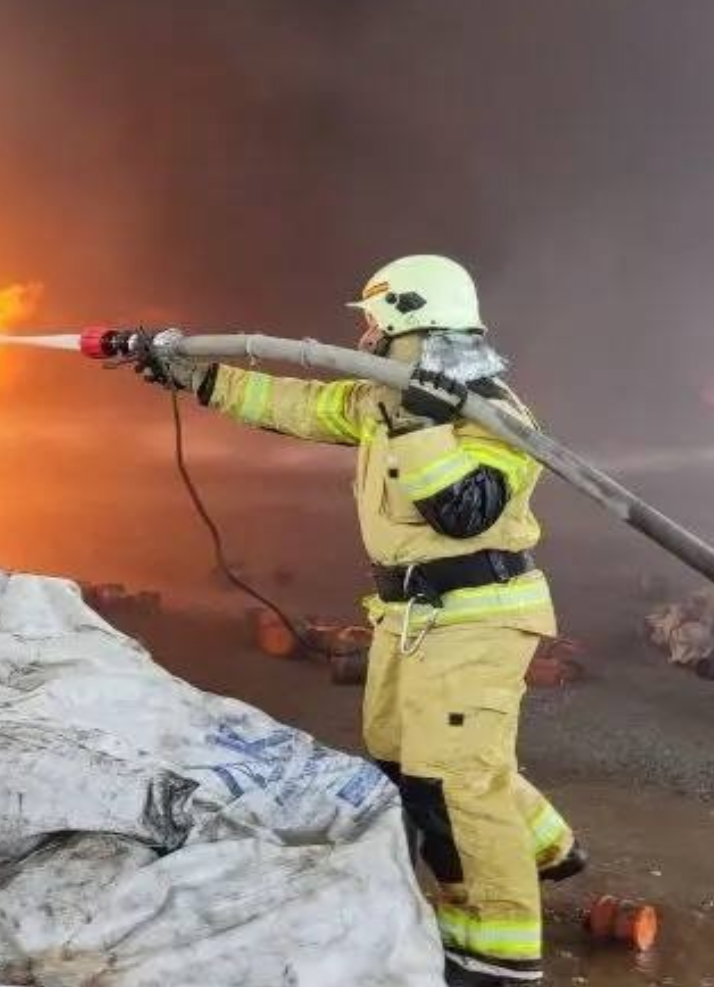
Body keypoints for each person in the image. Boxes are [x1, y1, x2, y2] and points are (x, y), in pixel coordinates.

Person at [142, 254, 585, 986]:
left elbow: (464, 510)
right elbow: (296, 403)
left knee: (456, 781)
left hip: (475, 618)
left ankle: (499, 954)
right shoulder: (385, 399)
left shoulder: (492, 412)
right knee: (406, 761)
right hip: (411, 618)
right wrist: (195, 374)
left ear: (408, 319)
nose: (364, 335)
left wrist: (424, 425)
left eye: (374, 321)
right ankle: (547, 847)